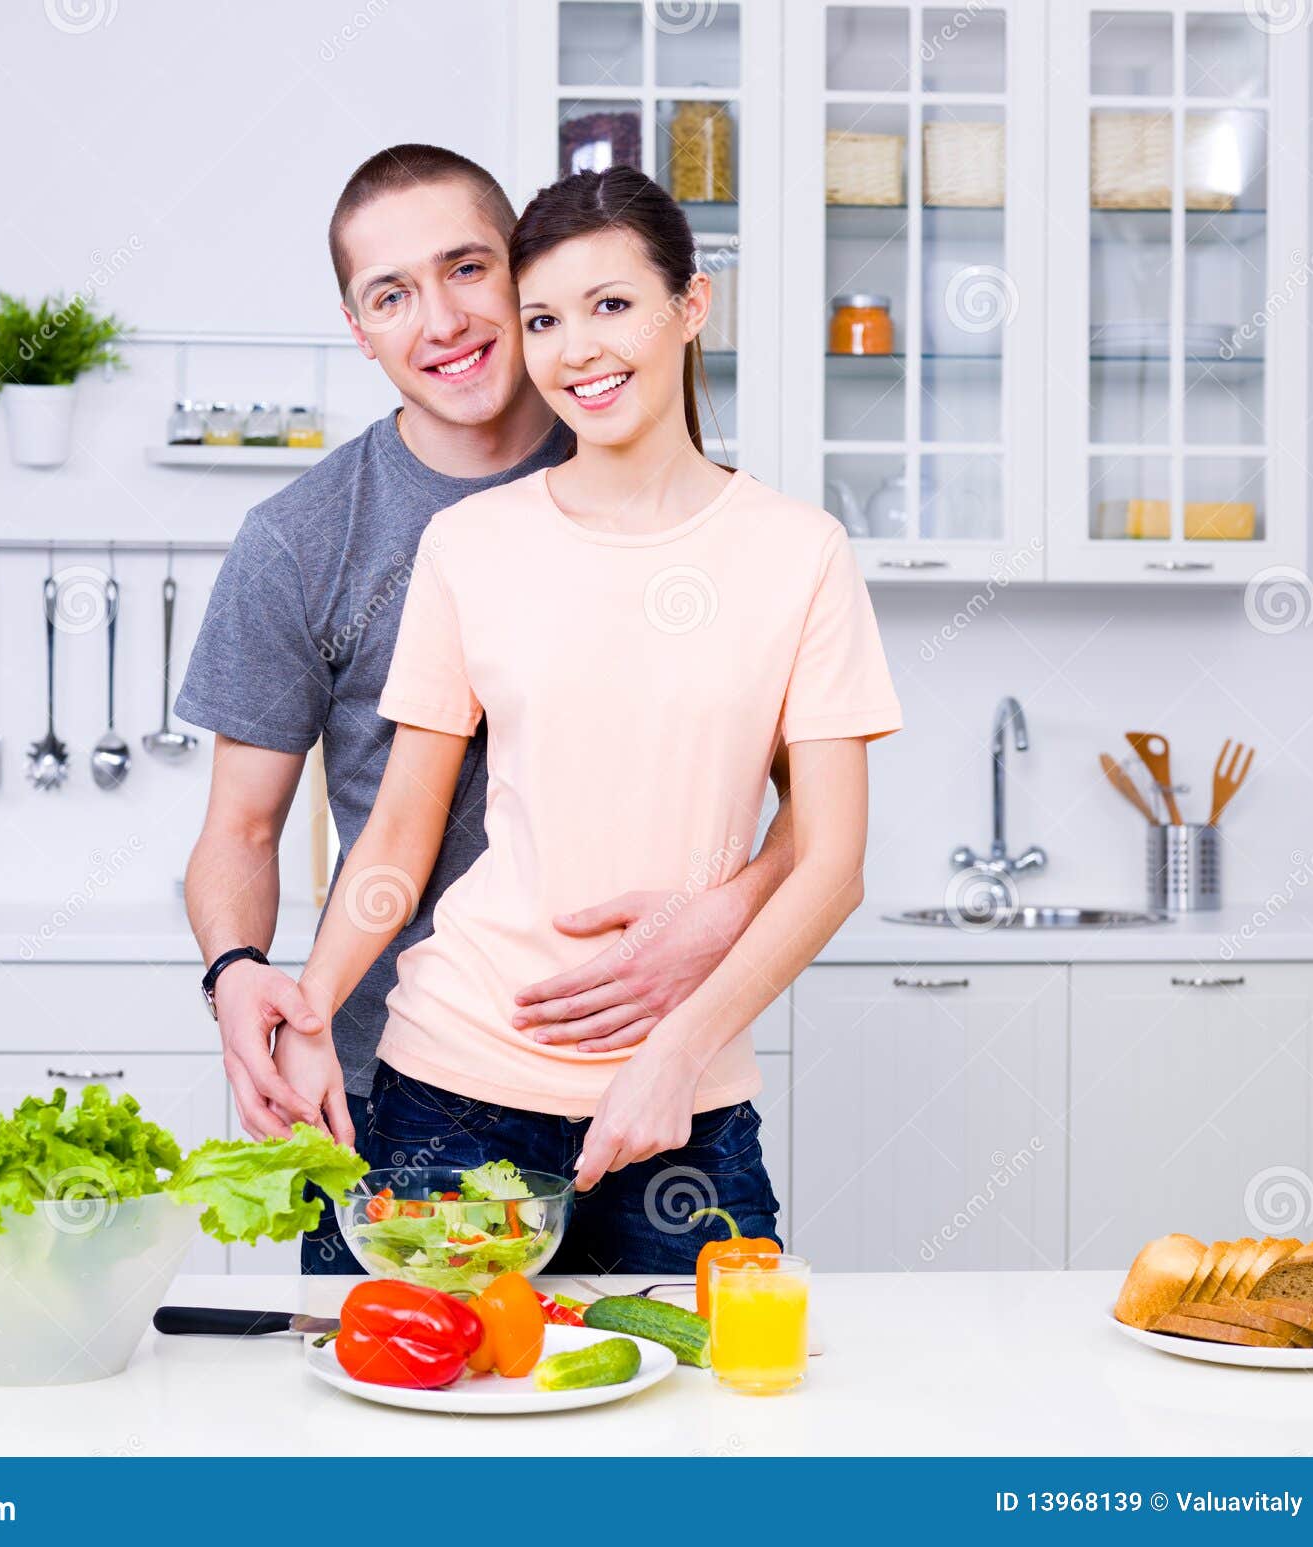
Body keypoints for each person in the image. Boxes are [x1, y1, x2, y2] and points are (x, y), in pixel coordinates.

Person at [177, 146, 798, 1274]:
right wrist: (240, 975)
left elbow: (815, 816)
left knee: (687, 1431)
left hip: (656, 1067)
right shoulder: (302, 541)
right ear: (357, 328)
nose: (443, 319)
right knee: (413, 1428)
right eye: (390, 294)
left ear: (522, 277)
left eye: (467, 269)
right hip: (403, 1085)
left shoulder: (674, 489)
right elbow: (242, 828)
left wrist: (723, 914)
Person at [283, 165, 903, 1274]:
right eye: (543, 320)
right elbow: (399, 829)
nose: (577, 349)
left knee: (720, 1424)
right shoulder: (471, 545)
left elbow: (834, 859)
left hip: (686, 1109)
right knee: (437, 1434)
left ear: (690, 306)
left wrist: (678, 1048)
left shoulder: (796, 552)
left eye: (611, 305)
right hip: (451, 1094)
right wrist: (315, 1004)